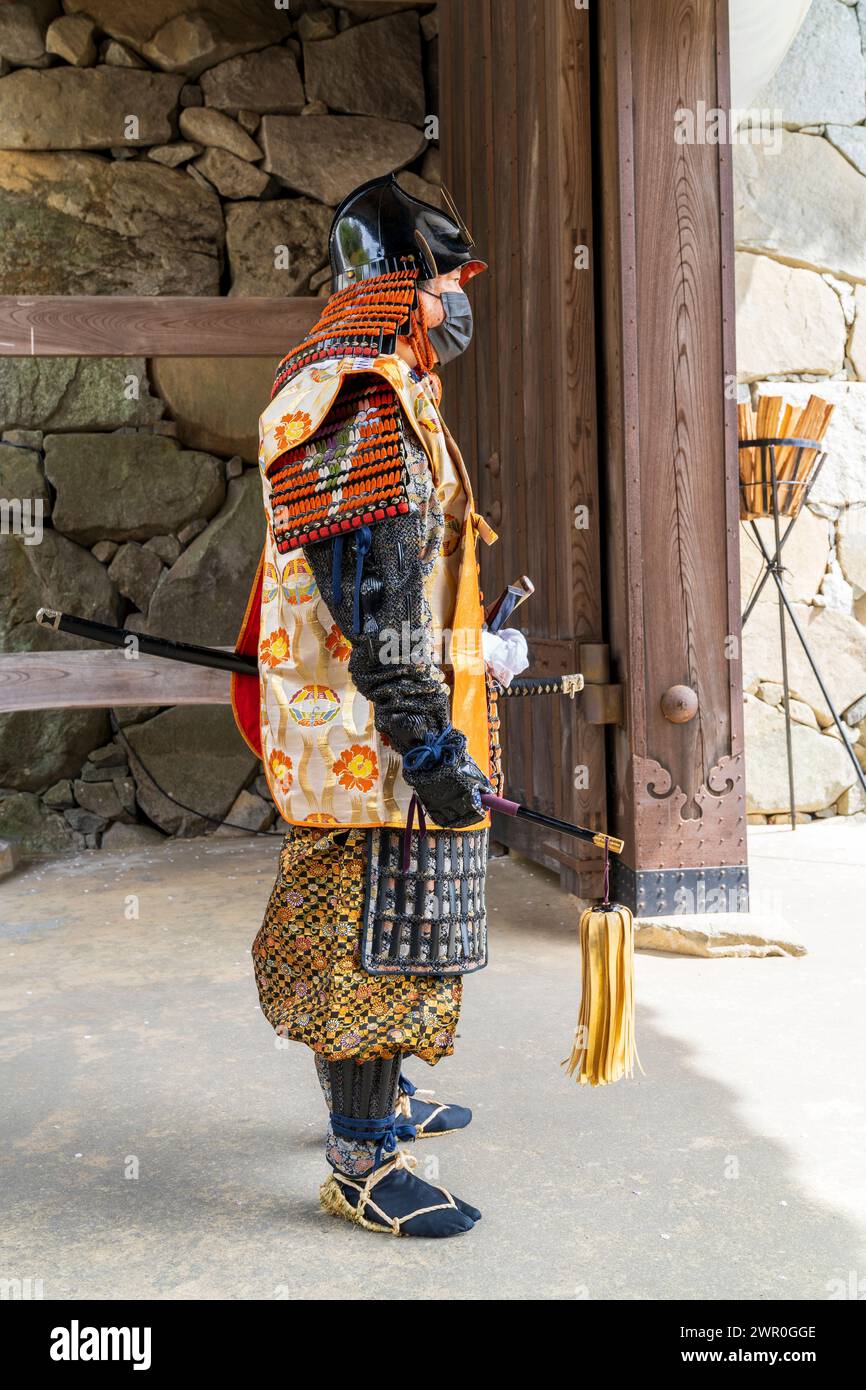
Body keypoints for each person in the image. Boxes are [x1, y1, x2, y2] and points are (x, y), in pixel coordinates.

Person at [231, 173, 526, 1238]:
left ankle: (381, 1100)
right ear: (404, 287)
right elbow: (374, 602)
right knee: (368, 944)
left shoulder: (357, 380)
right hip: (366, 735)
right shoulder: (360, 398)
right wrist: (431, 739)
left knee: (396, 926)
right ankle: (362, 1160)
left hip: (365, 719)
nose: (457, 298)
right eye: (446, 278)